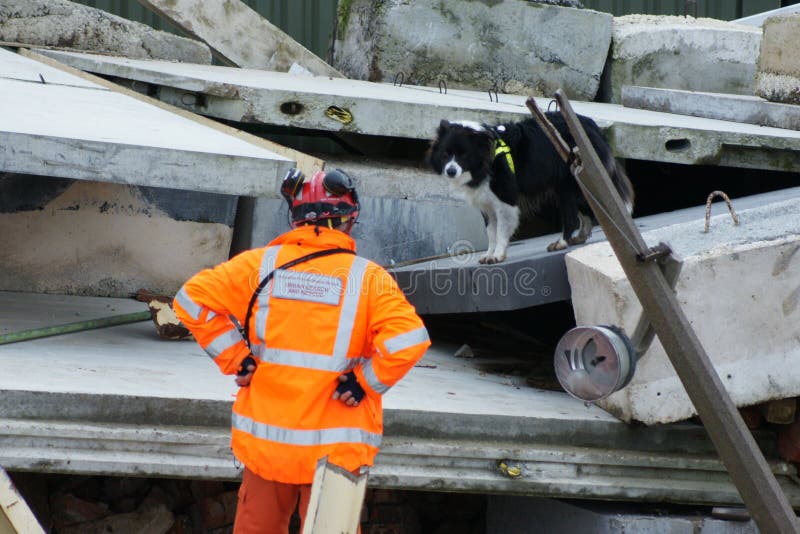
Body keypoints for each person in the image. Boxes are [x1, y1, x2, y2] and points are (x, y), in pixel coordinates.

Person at [173, 168, 431, 533]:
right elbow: (410, 339)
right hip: (337, 452)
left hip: (268, 446)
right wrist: (364, 383)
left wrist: (236, 357)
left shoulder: (257, 266)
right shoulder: (369, 280)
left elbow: (189, 300)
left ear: (293, 217)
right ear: (348, 220)